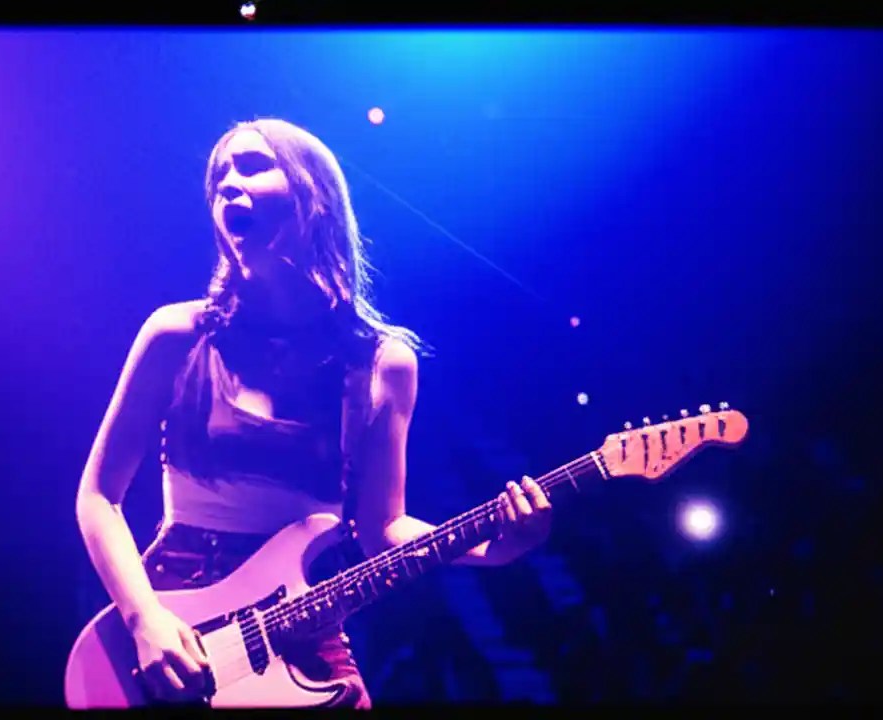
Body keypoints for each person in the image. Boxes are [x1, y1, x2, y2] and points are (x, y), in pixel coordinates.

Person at [75, 117, 553, 708]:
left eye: (251, 165)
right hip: (178, 620)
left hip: (298, 629)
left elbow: (383, 527)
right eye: (218, 175)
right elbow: (98, 495)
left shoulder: (383, 362)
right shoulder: (178, 335)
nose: (227, 183)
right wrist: (144, 617)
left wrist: (491, 547)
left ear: (314, 194)